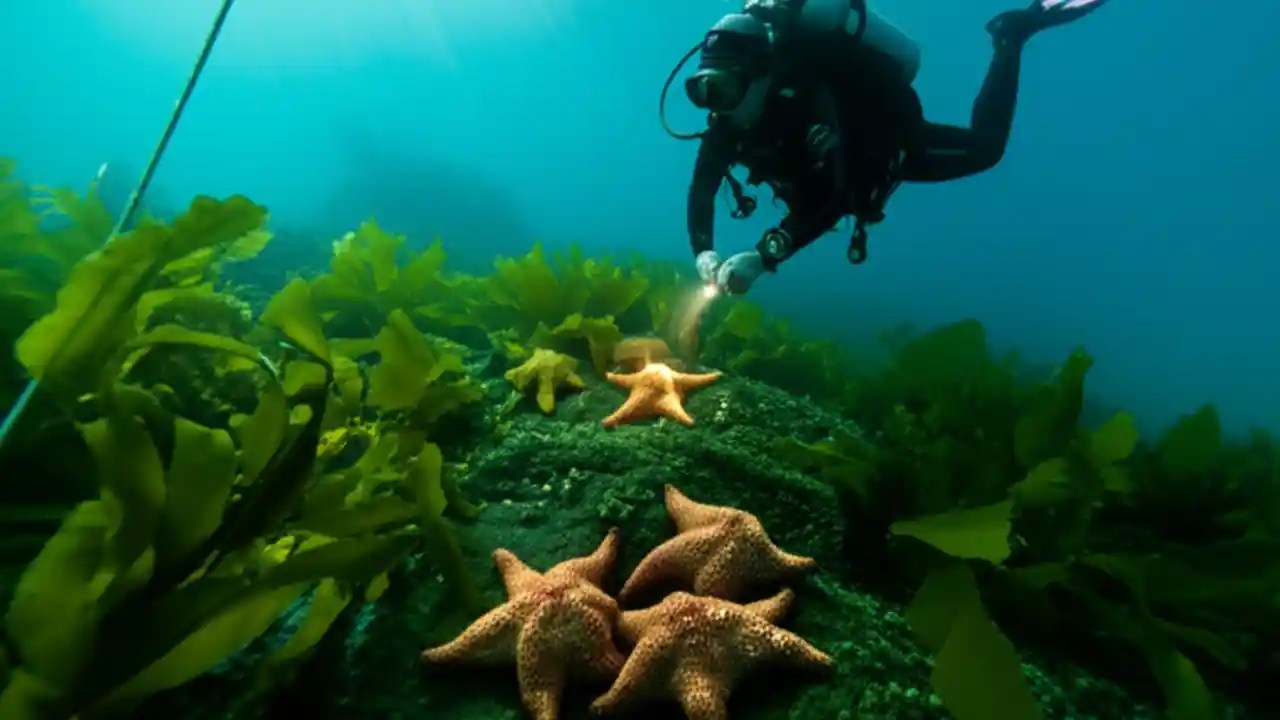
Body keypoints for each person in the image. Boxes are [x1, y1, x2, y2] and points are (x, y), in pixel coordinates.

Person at [673, 0, 1111, 295]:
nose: (715, 105)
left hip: (883, 145)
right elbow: (702, 187)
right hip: (829, 171)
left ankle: (1009, 37)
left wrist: (764, 254)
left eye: (723, 89)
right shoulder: (728, 124)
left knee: (986, 149)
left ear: (760, 74)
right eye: (702, 91)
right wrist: (704, 253)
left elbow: (840, 195)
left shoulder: (817, 101)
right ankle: (1011, 36)